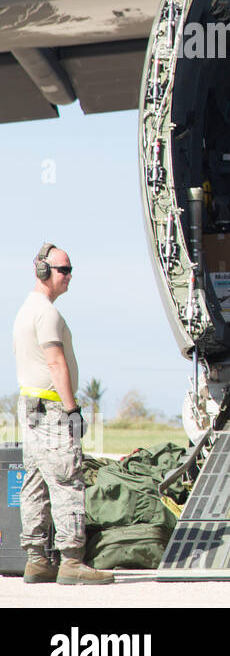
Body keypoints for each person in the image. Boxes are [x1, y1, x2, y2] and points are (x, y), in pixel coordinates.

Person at [13, 243, 113, 585]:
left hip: (29, 408)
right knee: (68, 481)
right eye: (63, 270)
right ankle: (71, 561)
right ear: (44, 273)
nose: (69, 277)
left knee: (35, 485)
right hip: (53, 410)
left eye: (70, 270)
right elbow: (56, 363)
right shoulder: (47, 314)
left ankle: (36, 560)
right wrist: (72, 409)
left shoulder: (27, 309)